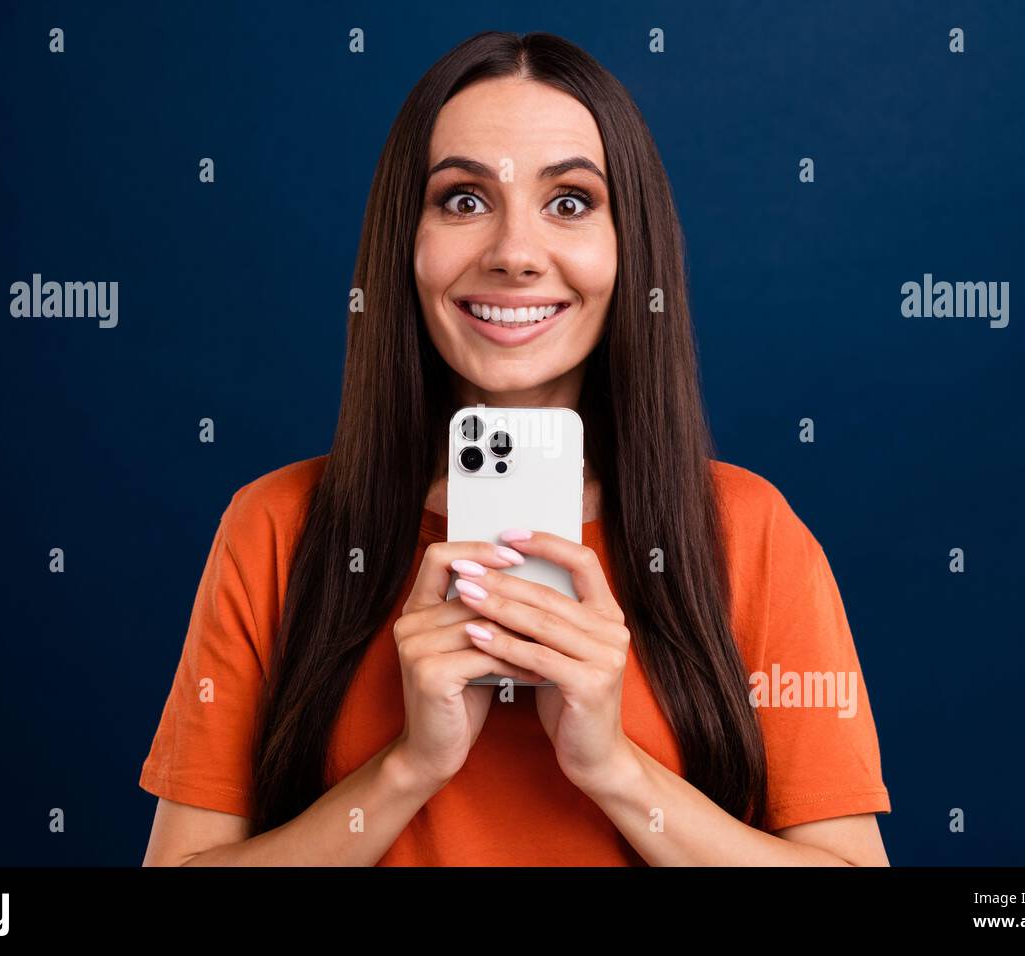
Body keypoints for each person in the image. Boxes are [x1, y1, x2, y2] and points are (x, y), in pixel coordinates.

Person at [139, 30, 891, 866]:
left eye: (569, 201)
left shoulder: (749, 532)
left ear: (628, 245)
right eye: (463, 199)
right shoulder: (278, 527)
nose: (514, 255)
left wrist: (609, 766)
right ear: (404, 242)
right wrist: (409, 767)